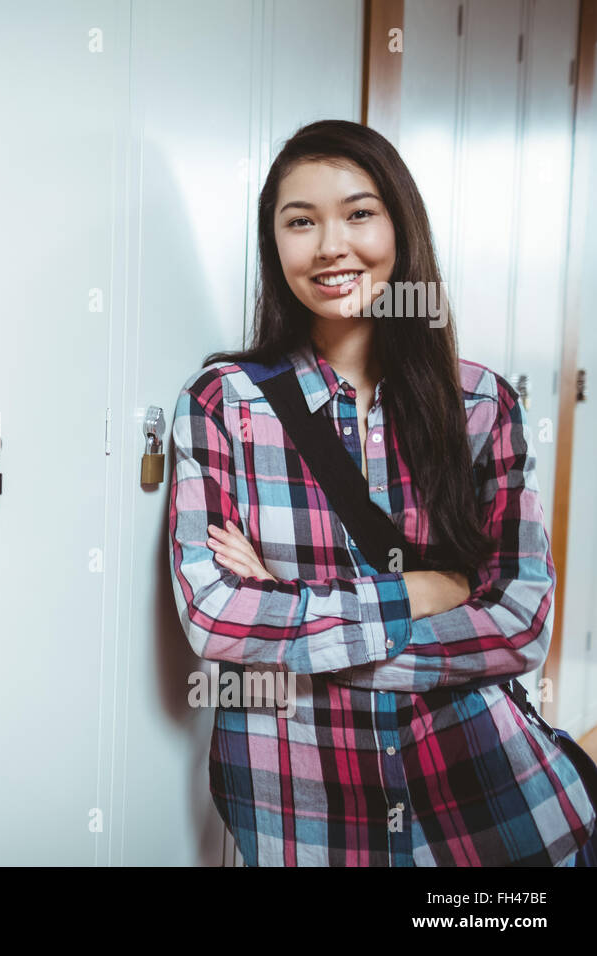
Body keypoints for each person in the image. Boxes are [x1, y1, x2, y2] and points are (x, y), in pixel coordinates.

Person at [167, 119, 596, 866]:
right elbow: (215, 615)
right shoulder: (224, 404)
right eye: (301, 222)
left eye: (359, 213)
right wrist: (428, 591)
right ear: (276, 245)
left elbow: (522, 623)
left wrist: (293, 606)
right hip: (300, 806)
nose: (331, 244)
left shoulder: (481, 403)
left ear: (400, 227)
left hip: (493, 798)